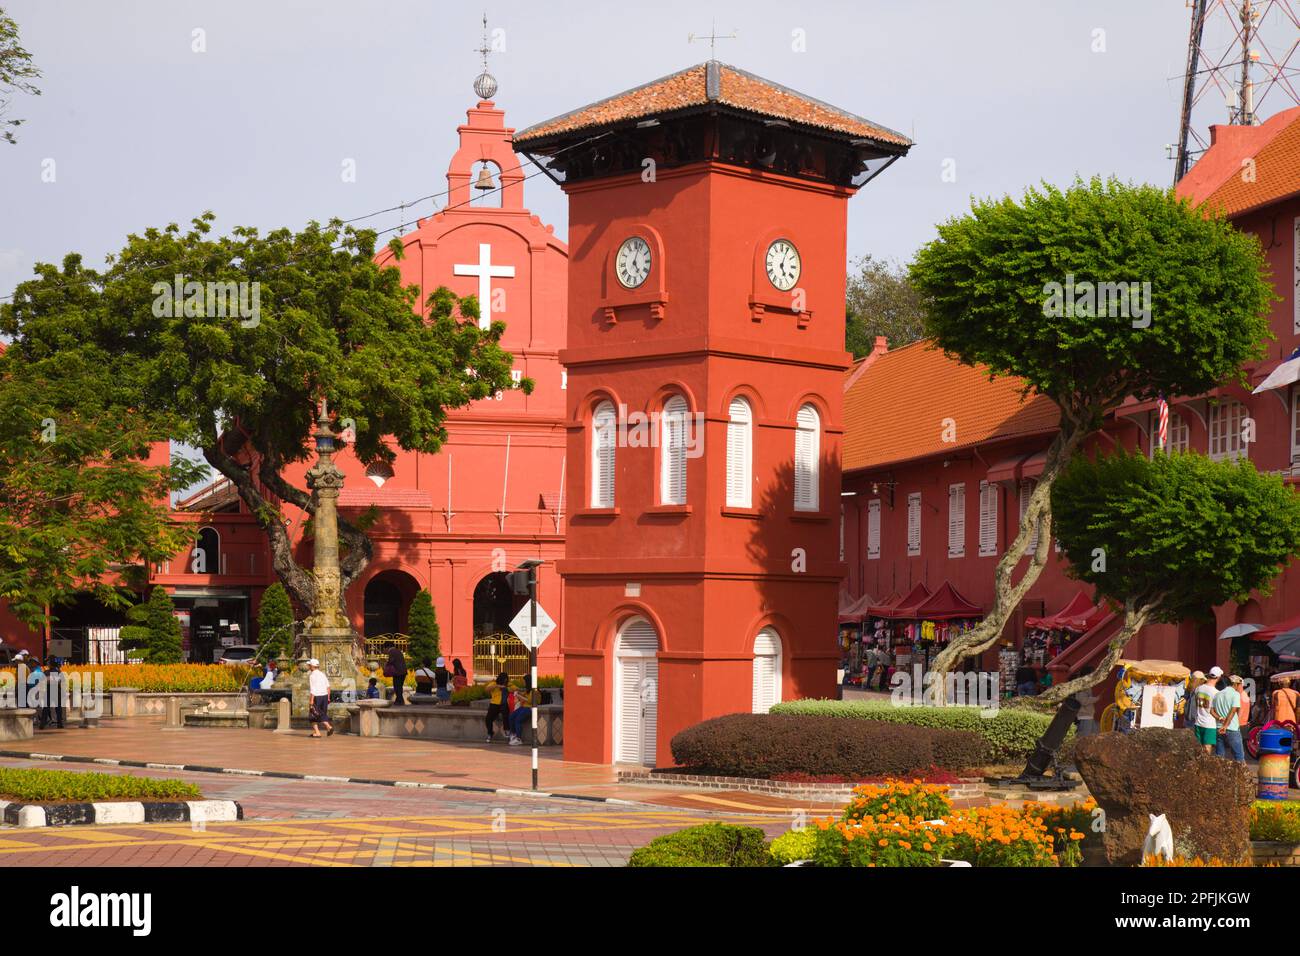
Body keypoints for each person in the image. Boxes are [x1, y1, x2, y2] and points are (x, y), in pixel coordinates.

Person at [1212, 676, 1244, 762]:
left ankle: (1219, 770)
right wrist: (1225, 726)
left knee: (1220, 757)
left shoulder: (1217, 695)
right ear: (1235, 684)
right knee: (1239, 756)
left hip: (1218, 728)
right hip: (1232, 728)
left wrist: (1219, 718)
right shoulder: (1235, 694)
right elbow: (1233, 711)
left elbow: (1211, 711)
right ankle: (1241, 771)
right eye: (1239, 684)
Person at [508, 677, 541, 745]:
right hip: (524, 707)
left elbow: (530, 701)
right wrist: (518, 692)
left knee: (518, 719)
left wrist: (519, 696)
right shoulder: (528, 690)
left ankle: (518, 738)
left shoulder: (535, 691)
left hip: (530, 708)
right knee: (511, 716)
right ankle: (513, 734)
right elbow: (523, 694)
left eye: (524, 681)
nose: (523, 683)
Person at [307, 658, 333, 738]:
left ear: (312, 666)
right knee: (321, 713)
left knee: (313, 714)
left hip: (317, 697)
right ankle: (317, 732)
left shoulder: (312, 675)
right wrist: (328, 698)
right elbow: (328, 687)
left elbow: (313, 689)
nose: (308, 666)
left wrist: (311, 701)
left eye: (309, 665)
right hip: (324, 696)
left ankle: (328, 727)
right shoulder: (322, 674)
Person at [1193, 673, 1218, 754]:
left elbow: (1196, 704)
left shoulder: (1198, 688)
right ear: (1217, 678)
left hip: (1198, 721)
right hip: (1209, 724)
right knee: (1207, 747)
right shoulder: (1216, 692)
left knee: (1198, 747)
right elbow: (1215, 710)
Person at [485, 671, 511, 743]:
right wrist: (498, 686)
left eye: (506, 680)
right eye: (504, 680)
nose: (505, 681)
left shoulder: (508, 684)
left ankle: (507, 730)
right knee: (488, 719)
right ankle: (490, 733)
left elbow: (515, 688)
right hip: (494, 704)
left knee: (506, 715)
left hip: (504, 704)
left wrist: (508, 688)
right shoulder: (494, 684)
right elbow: (487, 689)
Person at [1074, 667, 1098, 736]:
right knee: (1084, 737)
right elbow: (1083, 701)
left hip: (1087, 715)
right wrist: (1096, 699)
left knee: (1094, 734)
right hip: (1085, 715)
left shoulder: (1084, 684)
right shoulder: (1083, 684)